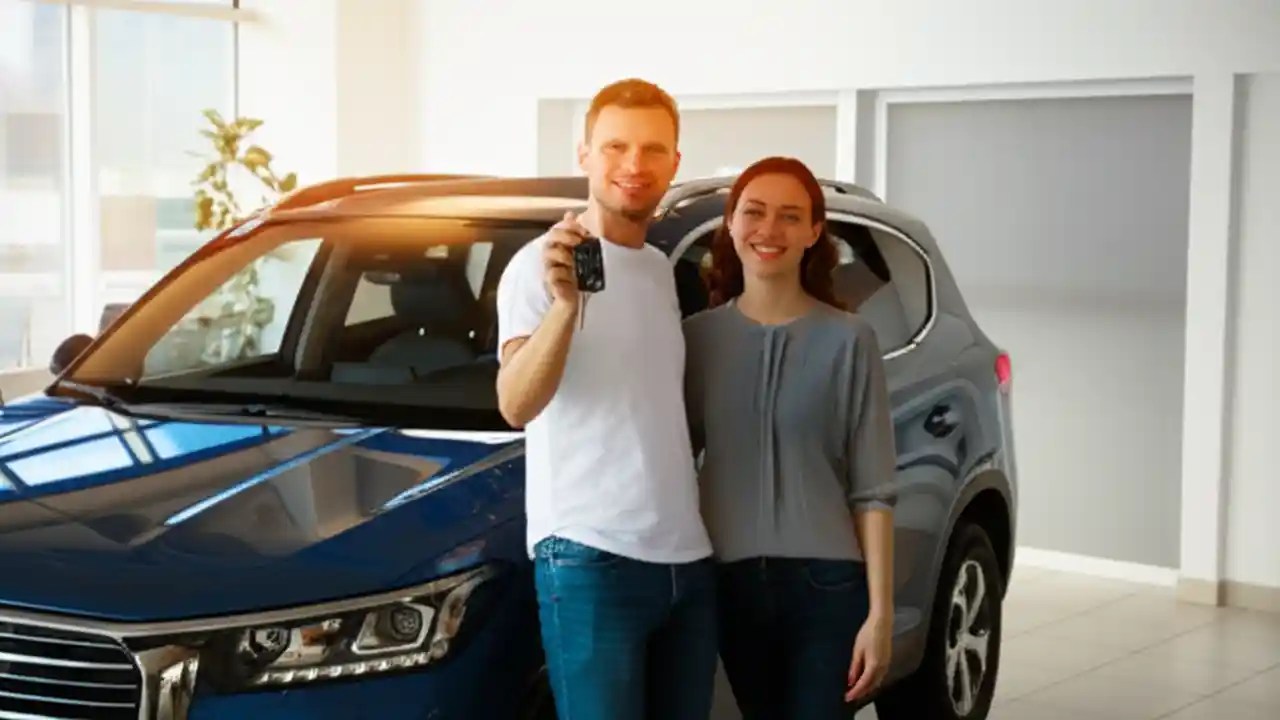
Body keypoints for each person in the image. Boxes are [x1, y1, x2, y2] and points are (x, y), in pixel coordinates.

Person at [494, 78, 717, 720]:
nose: (634, 164)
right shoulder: (541, 266)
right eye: (615, 145)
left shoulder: (659, 270)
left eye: (653, 149)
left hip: (687, 557)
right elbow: (515, 402)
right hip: (591, 558)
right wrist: (567, 307)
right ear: (584, 155)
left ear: (675, 162)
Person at [683, 156, 898, 719]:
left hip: (827, 587)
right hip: (730, 587)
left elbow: (873, 491)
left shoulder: (851, 340)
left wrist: (880, 616)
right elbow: (669, 461)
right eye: (753, 213)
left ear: (813, 232)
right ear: (730, 224)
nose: (769, 230)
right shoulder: (697, 341)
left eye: (789, 216)